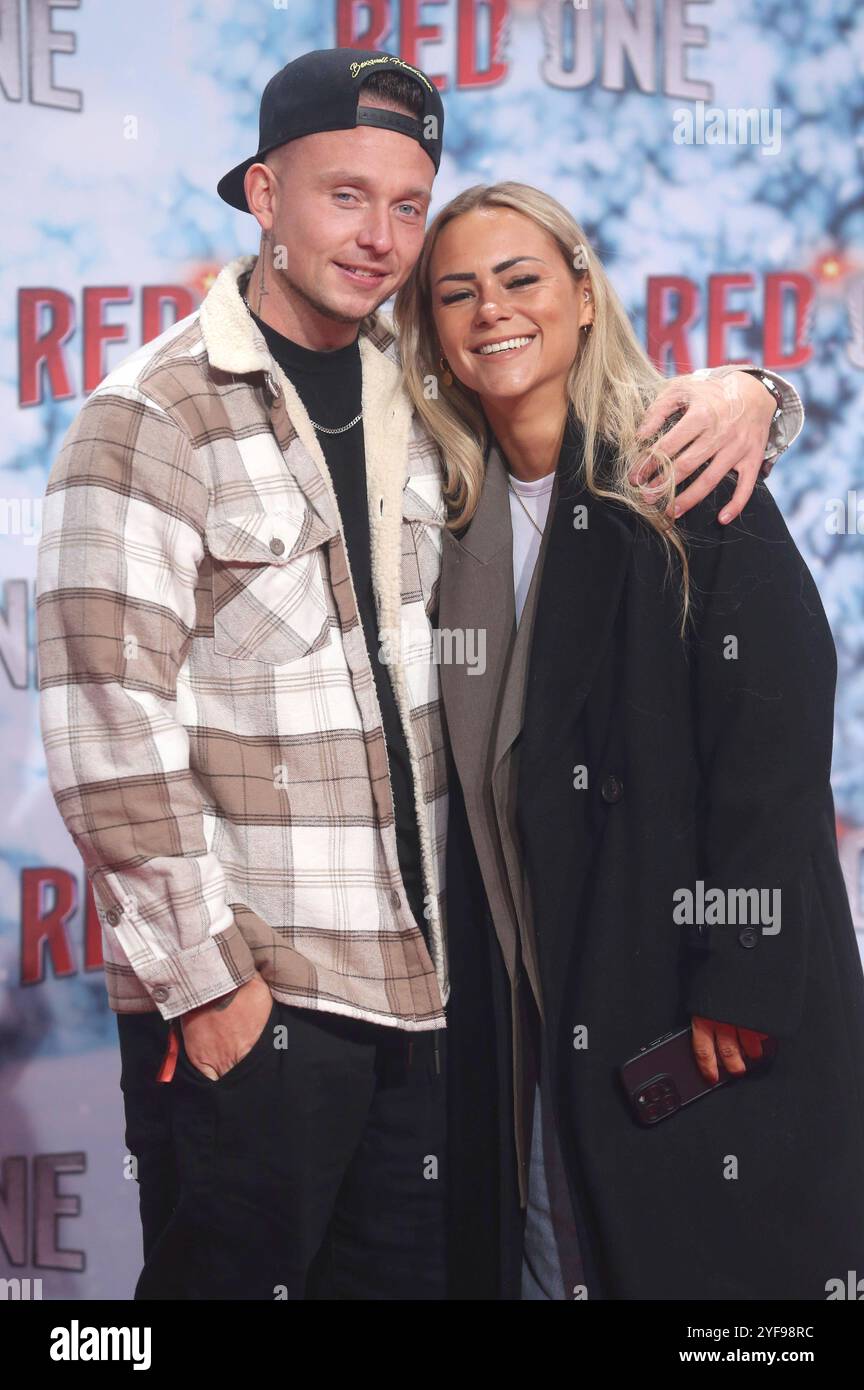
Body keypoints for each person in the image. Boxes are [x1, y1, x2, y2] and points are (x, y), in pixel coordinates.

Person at [36, 44, 801, 1301]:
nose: (380, 236)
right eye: (344, 195)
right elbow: (106, 733)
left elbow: (575, 417)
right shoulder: (151, 416)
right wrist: (210, 989)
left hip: (430, 1011)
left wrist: (757, 392)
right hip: (258, 1005)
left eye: (407, 203)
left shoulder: (428, 395)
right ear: (263, 196)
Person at [393, 180, 864, 1300]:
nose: (490, 312)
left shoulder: (681, 469)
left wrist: (745, 969)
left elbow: (777, 732)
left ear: (583, 295)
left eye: (520, 280)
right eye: (455, 294)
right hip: (533, 1014)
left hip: (696, 999)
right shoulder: (442, 512)